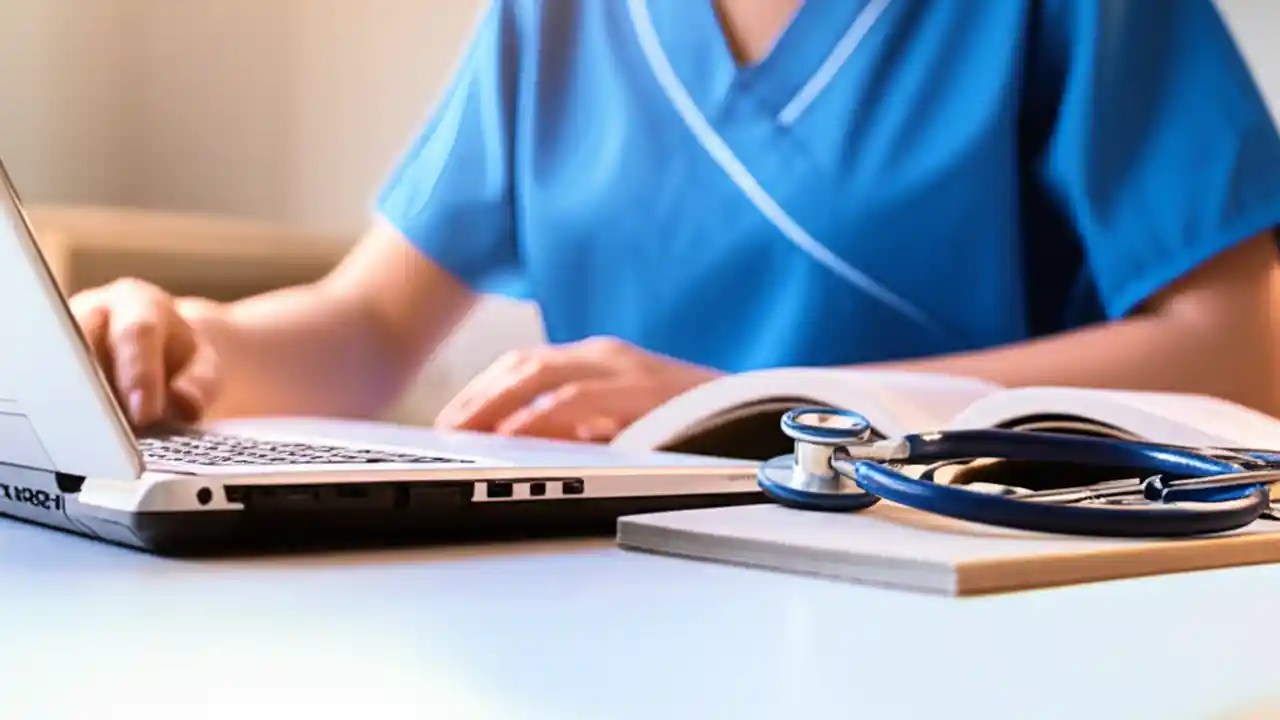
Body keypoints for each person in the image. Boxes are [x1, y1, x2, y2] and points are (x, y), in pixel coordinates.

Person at [70, 0, 1280, 443]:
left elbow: (1243, 349)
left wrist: (731, 406)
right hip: (604, 594)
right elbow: (362, 325)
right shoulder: (559, 19)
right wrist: (184, 339)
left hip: (959, 598)